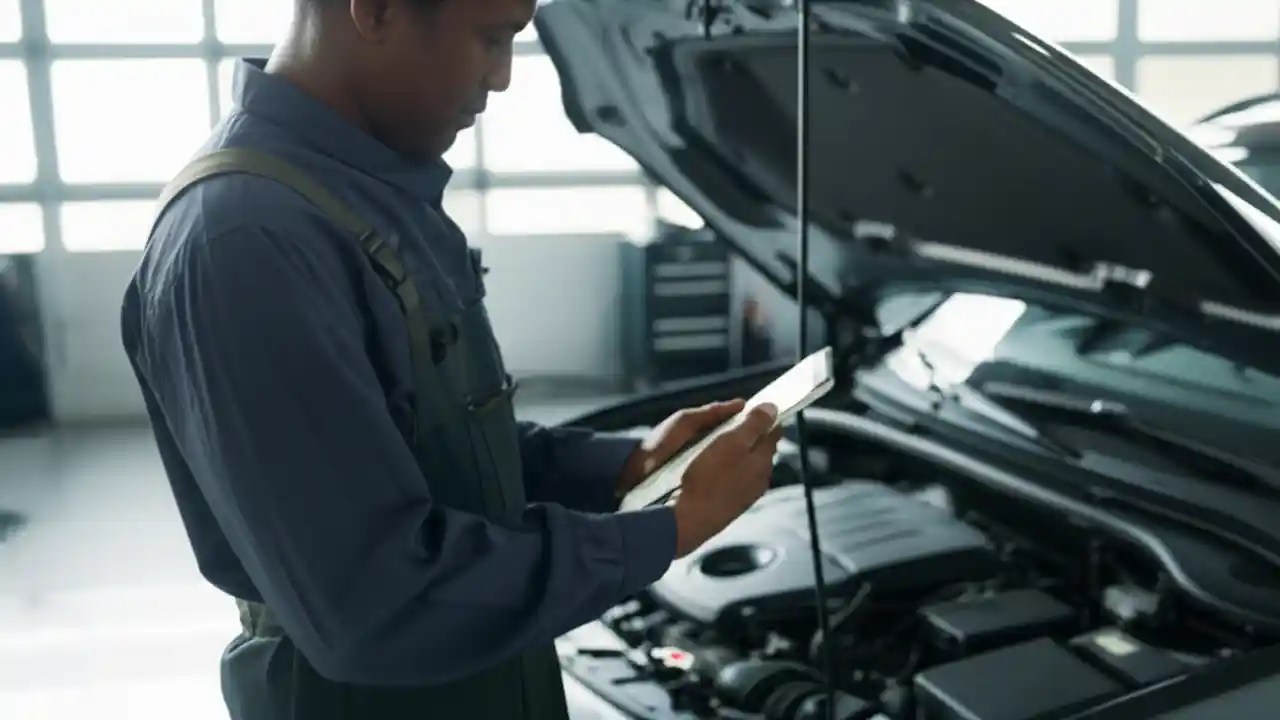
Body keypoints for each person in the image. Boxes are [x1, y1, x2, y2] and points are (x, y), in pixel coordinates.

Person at [119, 0, 783, 718]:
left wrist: (624, 466)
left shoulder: (372, 192)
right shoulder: (246, 242)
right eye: (491, 38)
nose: (500, 79)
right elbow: (375, 604)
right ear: (374, 10)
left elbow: (426, 446)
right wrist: (667, 531)